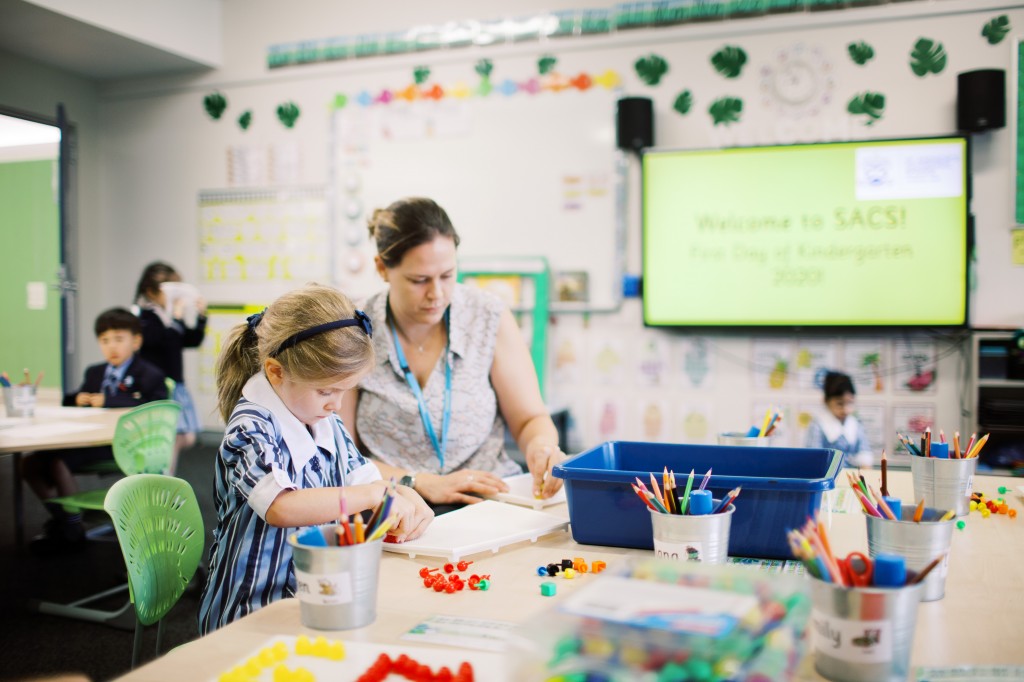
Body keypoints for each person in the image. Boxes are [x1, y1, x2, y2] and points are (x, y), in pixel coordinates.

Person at [197, 284, 433, 634]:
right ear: (276, 372)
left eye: (344, 391)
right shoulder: (250, 429)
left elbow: (363, 479)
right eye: (326, 391)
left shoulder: (324, 419)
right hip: (250, 612)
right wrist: (372, 495)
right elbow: (282, 507)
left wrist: (403, 499)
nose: (337, 405)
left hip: (315, 598)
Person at [338, 197, 567, 509]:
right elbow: (341, 455)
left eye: (447, 275)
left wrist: (542, 447)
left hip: (490, 501)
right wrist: (419, 482)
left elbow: (530, 419)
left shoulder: (487, 316)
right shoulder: (354, 330)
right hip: (396, 507)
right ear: (382, 268)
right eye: (419, 280)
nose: (437, 293)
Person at [23, 307, 167, 555]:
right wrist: (78, 399)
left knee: (57, 463)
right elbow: (72, 398)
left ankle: (71, 526)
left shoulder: (149, 374)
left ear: (136, 341)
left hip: (122, 445)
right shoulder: (95, 372)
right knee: (29, 463)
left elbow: (154, 406)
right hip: (84, 440)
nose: (112, 347)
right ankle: (67, 518)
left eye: (119, 339)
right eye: (104, 340)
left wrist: (109, 400)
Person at [134, 261, 207, 464]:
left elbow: (190, 340)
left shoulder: (169, 317)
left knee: (185, 436)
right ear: (150, 291)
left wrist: (201, 317)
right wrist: (175, 319)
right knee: (172, 437)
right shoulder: (146, 318)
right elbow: (162, 342)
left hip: (176, 385)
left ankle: (162, 475)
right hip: (158, 387)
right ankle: (163, 480)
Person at [804, 370, 873, 467]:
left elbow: (865, 454)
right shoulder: (818, 425)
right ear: (825, 401)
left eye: (850, 403)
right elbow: (812, 459)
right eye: (839, 404)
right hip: (827, 479)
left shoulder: (855, 423)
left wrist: (865, 464)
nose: (845, 410)